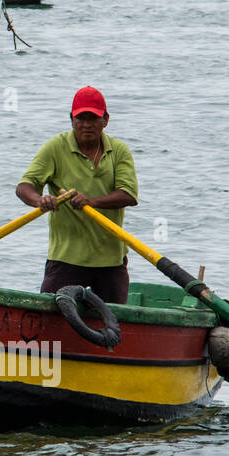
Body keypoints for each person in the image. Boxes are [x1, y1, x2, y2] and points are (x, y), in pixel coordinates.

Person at [15, 86, 139, 304]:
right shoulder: (55, 147)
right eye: (81, 118)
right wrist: (38, 200)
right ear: (71, 119)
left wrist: (91, 201)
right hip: (66, 258)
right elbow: (25, 186)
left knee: (115, 325)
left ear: (106, 120)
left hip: (110, 260)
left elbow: (128, 195)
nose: (87, 124)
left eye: (93, 118)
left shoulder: (119, 151)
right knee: (48, 317)